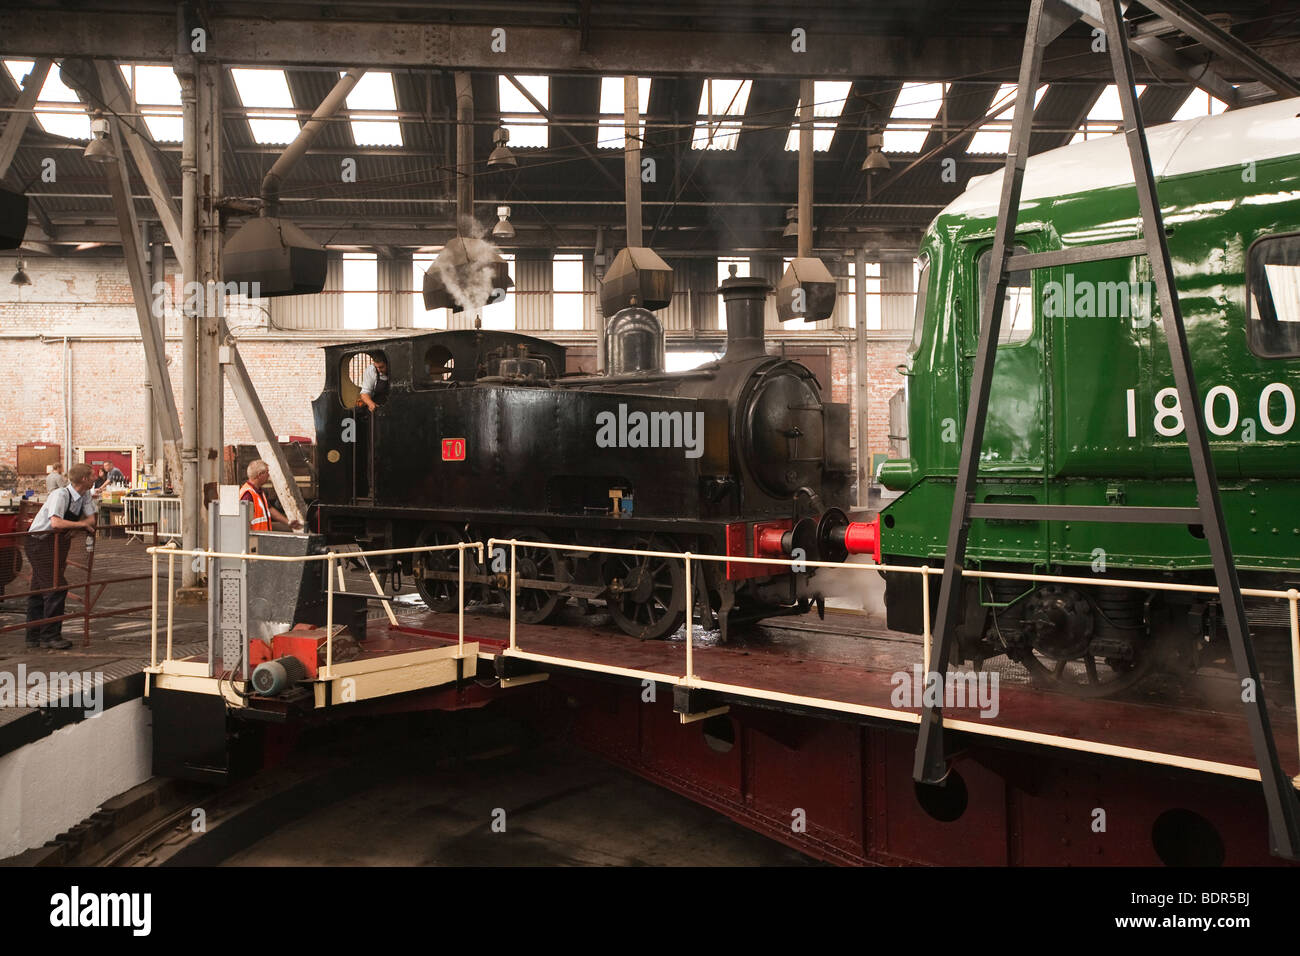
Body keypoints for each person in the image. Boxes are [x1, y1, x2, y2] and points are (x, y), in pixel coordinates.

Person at [25, 462, 96, 650]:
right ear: (84, 479)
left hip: (57, 543)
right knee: (57, 587)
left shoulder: (85, 494)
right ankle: (50, 636)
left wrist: (78, 524)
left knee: (39, 589)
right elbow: (56, 523)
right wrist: (80, 526)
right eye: (93, 475)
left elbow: (91, 519)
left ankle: (33, 635)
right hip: (40, 542)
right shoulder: (60, 495)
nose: (96, 477)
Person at [239, 460, 302, 532]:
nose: (268, 475)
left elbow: (269, 509)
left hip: (262, 538)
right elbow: (243, 524)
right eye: (267, 472)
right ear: (260, 475)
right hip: (255, 540)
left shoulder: (259, 491)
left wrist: (288, 522)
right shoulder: (248, 495)